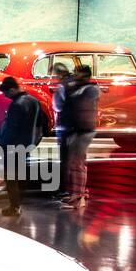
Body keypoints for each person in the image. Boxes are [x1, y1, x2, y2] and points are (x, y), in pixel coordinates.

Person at [0, 76, 41, 217]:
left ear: (13, 89)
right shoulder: (34, 101)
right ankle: (19, 204)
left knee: (11, 177)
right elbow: (40, 125)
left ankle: (14, 207)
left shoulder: (17, 105)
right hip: (27, 144)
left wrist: (2, 141)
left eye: (6, 92)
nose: (5, 95)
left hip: (13, 146)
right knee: (21, 175)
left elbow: (11, 129)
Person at [61, 64, 100, 210]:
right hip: (80, 130)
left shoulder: (89, 90)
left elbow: (80, 105)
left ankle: (78, 197)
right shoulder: (84, 89)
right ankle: (78, 193)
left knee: (77, 164)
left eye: (77, 74)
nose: (74, 76)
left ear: (84, 75)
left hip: (83, 130)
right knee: (76, 163)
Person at [50, 62, 72, 199]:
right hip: (80, 127)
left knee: (65, 159)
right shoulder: (77, 83)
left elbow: (57, 106)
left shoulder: (62, 86)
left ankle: (64, 190)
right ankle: (78, 190)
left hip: (65, 126)